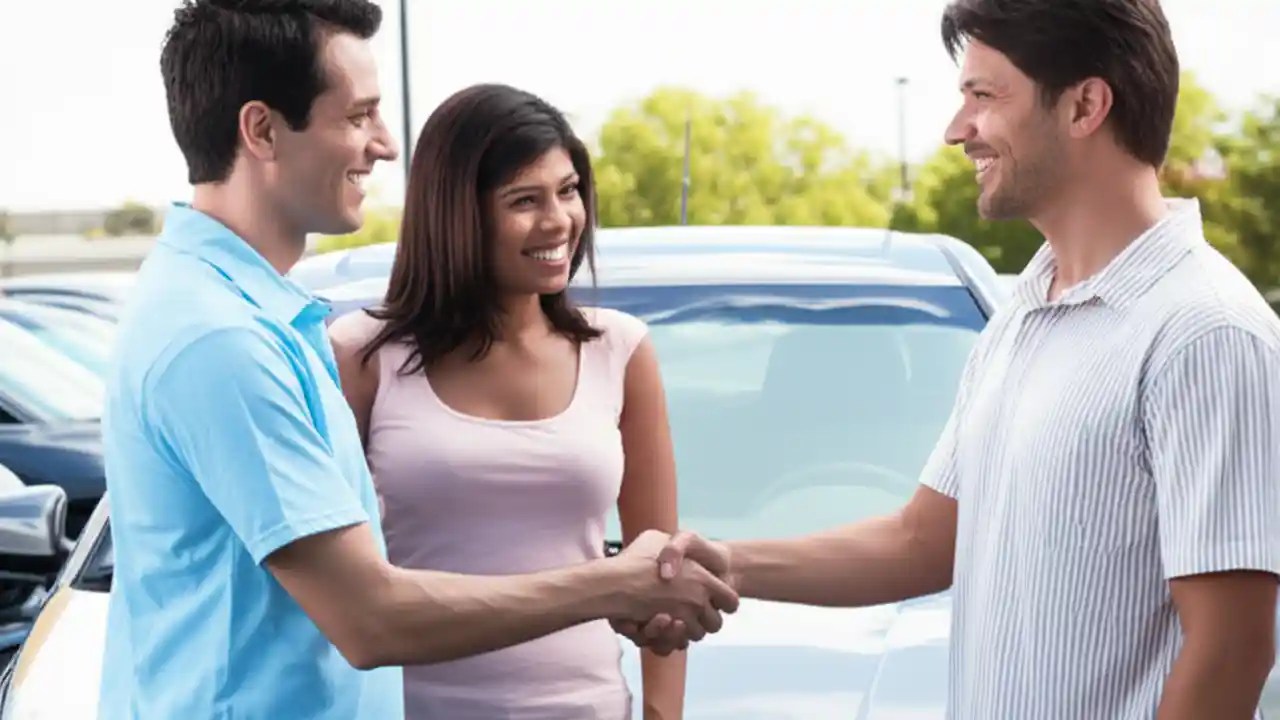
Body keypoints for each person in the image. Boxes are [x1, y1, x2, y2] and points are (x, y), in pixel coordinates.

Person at [624, 1, 1280, 718]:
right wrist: (726, 565)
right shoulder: (1025, 314)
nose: (956, 130)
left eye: (983, 96)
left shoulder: (1205, 331)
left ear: (1085, 105)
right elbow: (922, 541)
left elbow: (1232, 648)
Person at [98, 3, 736, 719]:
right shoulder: (221, 342)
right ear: (263, 130)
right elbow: (370, 617)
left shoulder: (268, 322)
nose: (386, 144)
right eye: (359, 116)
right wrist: (617, 583)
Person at [326, 82, 686, 720]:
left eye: (569, 191)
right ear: (457, 212)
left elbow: (662, 571)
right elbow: (327, 583)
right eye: (525, 199)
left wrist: (661, 713)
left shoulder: (621, 351)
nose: (559, 221)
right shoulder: (361, 355)